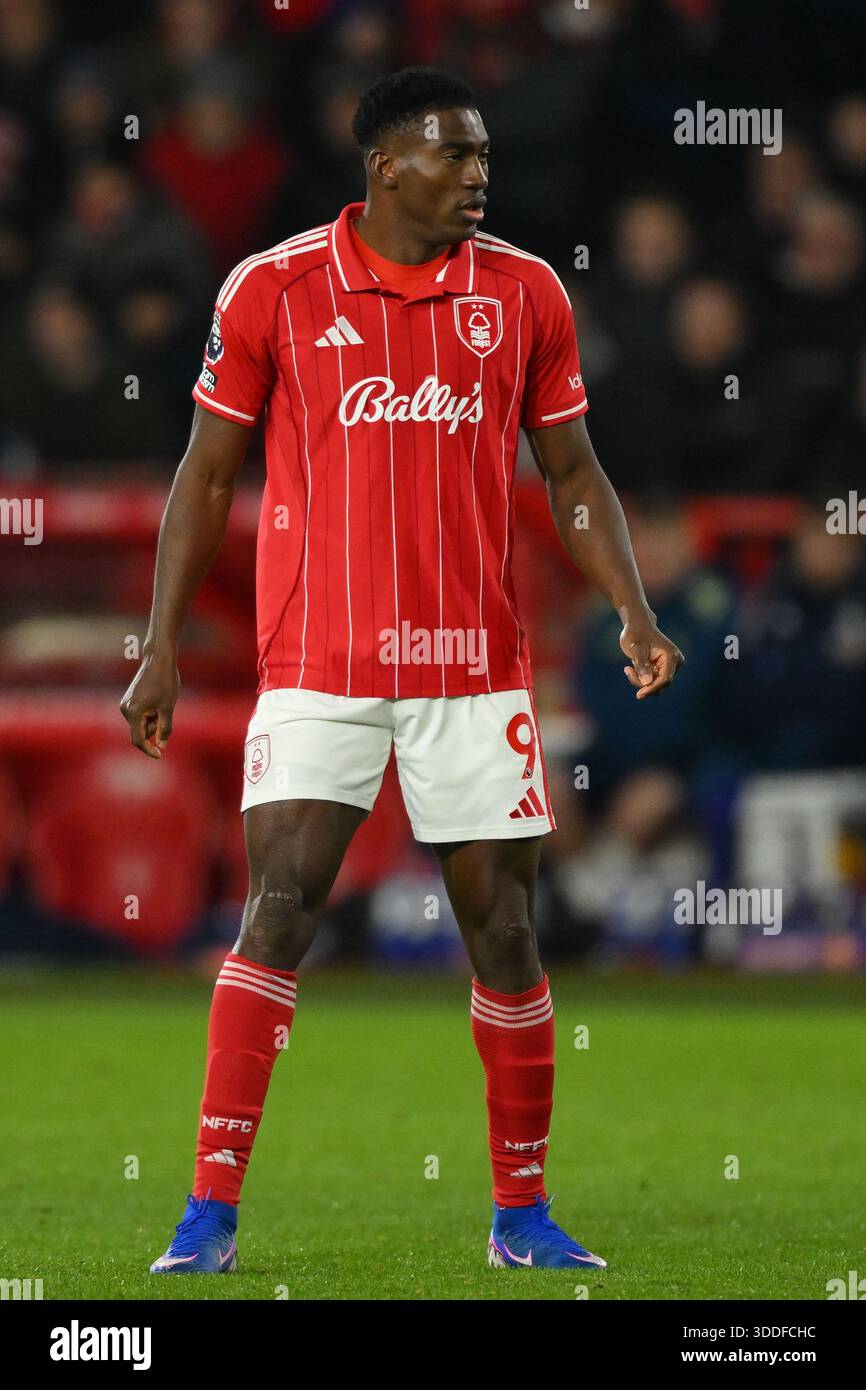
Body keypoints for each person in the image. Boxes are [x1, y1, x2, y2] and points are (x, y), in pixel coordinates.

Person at [120, 65, 683, 1276]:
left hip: (475, 672)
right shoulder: (272, 287)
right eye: (454, 154)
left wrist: (631, 608)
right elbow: (205, 474)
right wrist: (159, 644)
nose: (479, 173)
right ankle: (207, 1214)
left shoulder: (525, 294)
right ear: (385, 165)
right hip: (318, 662)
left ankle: (520, 1218)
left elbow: (572, 474)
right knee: (278, 914)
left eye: (484, 156)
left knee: (506, 931)